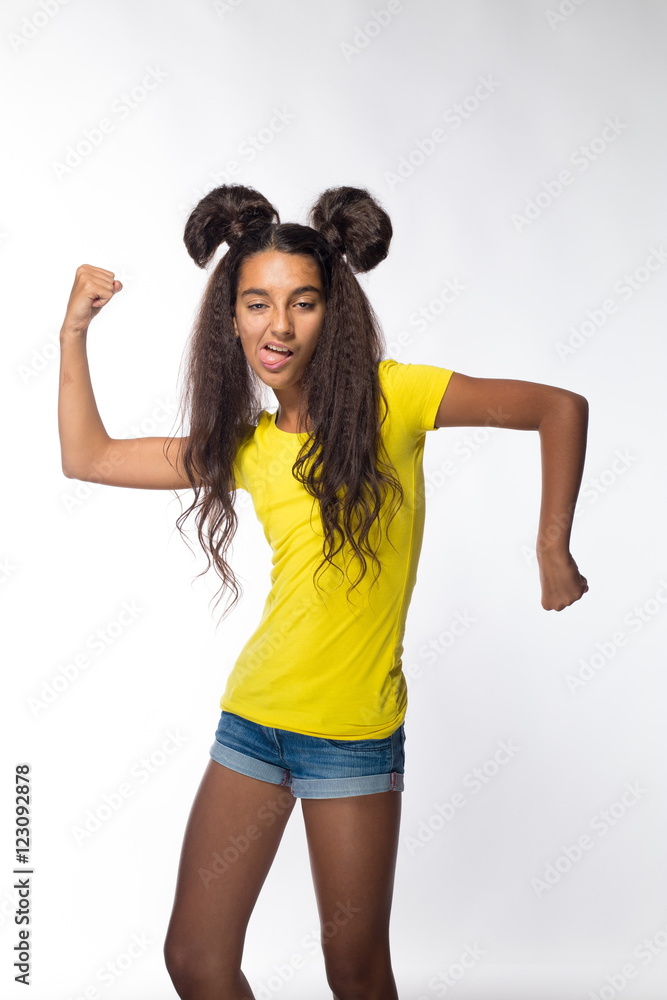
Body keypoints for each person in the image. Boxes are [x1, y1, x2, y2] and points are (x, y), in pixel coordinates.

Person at [57, 183, 589, 1000]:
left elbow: (558, 408)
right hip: (251, 727)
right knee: (194, 960)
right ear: (228, 319)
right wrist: (73, 333)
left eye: (302, 303)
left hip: (351, 736)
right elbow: (88, 458)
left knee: (354, 972)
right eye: (257, 304)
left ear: (330, 311)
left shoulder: (395, 397)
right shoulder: (244, 446)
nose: (278, 326)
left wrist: (550, 547)